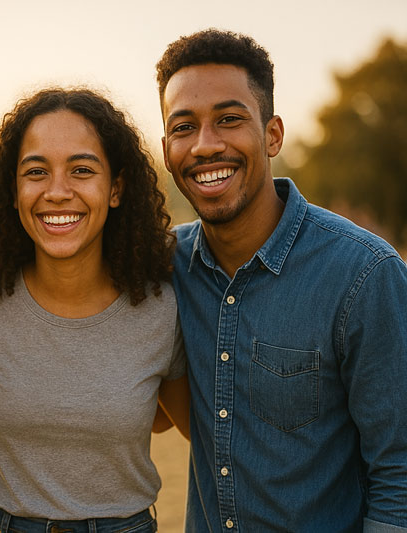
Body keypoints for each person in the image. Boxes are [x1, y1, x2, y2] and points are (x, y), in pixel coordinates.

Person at [156, 29, 407, 532]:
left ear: (272, 134)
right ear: (166, 148)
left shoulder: (365, 275)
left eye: (229, 119)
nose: (206, 145)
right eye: (184, 127)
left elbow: (399, 476)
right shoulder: (163, 269)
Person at [0, 88, 190, 533]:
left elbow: (186, 425)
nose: (57, 192)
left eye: (81, 170)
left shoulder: (160, 307)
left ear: (115, 189)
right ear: (13, 191)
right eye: (36, 171)